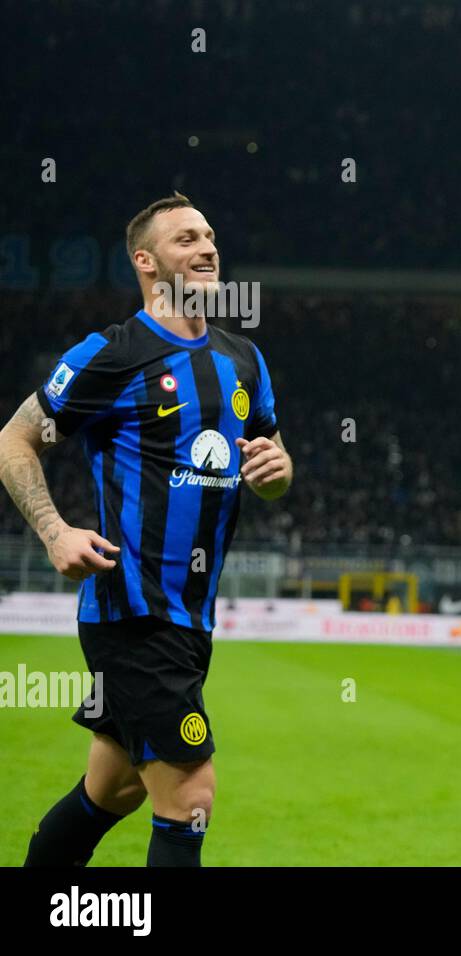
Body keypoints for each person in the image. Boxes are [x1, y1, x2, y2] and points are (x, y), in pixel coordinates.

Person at [0, 192, 293, 867]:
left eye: (210, 234)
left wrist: (278, 471)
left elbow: (274, 466)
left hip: (189, 621)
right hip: (131, 612)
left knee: (114, 789)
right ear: (146, 260)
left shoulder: (243, 359)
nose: (207, 247)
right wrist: (53, 532)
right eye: (186, 238)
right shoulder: (111, 353)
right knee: (190, 792)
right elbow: (15, 441)